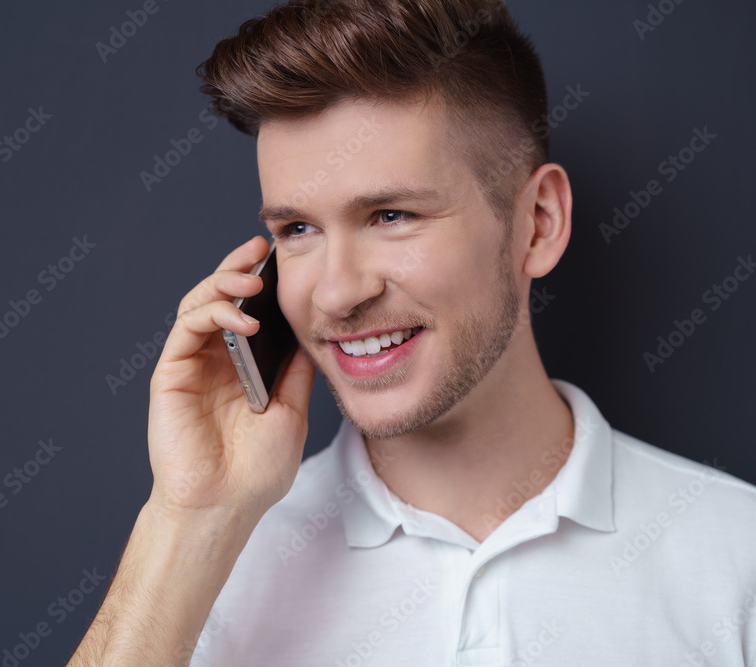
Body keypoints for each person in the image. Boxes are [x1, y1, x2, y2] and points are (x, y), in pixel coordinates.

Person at [67, 1, 756, 664]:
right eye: (297, 229)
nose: (337, 292)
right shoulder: (206, 570)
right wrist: (188, 522)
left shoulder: (736, 557)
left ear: (538, 222)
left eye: (391, 215)